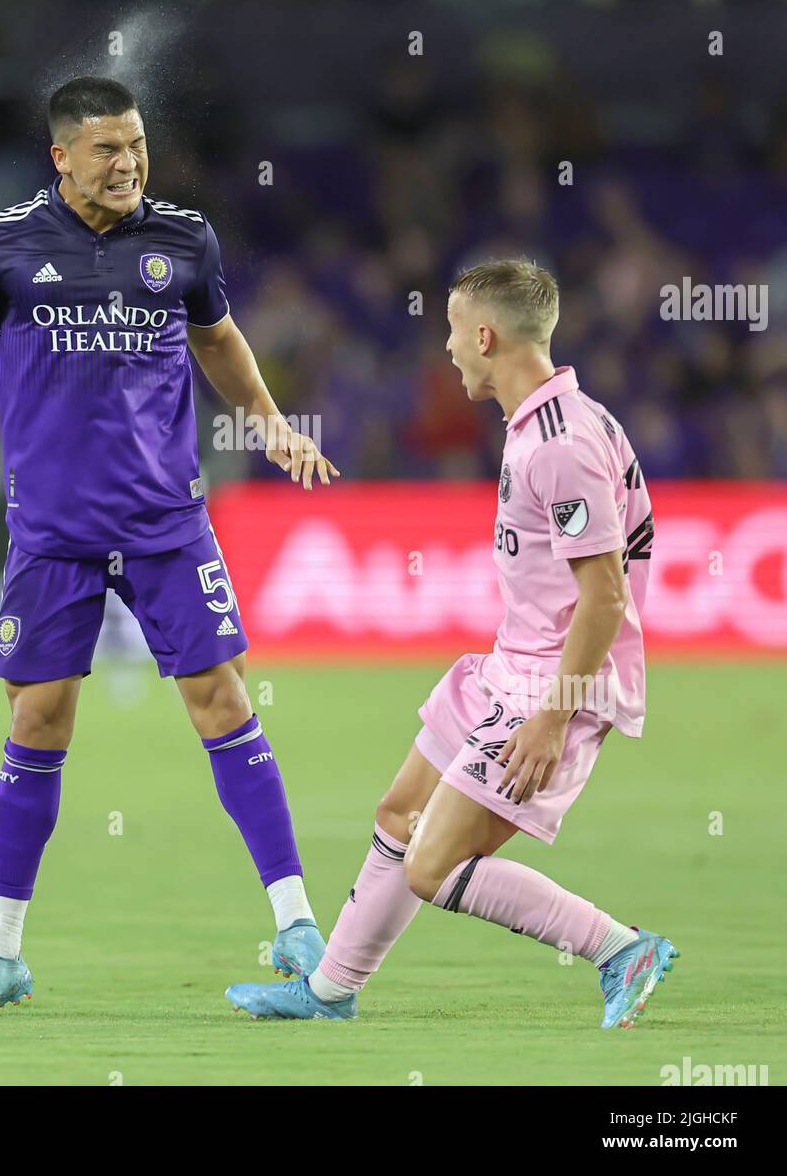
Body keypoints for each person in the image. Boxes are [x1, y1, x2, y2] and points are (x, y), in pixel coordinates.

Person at [0, 76, 337, 1017]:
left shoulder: (184, 240)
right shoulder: (0, 245)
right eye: (106, 150)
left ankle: (296, 924)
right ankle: (0, 954)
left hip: (166, 524)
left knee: (221, 698)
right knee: (36, 721)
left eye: (137, 146)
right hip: (52, 533)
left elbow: (223, 344)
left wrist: (271, 425)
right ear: (61, 157)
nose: (127, 165)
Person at [226, 259, 678, 1030]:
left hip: (553, 683)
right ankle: (331, 990)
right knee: (400, 813)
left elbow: (606, 597)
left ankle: (618, 948)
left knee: (433, 864)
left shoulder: (560, 444)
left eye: (451, 332)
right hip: (512, 662)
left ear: (485, 334)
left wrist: (552, 717)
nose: (446, 349)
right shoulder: (548, 423)